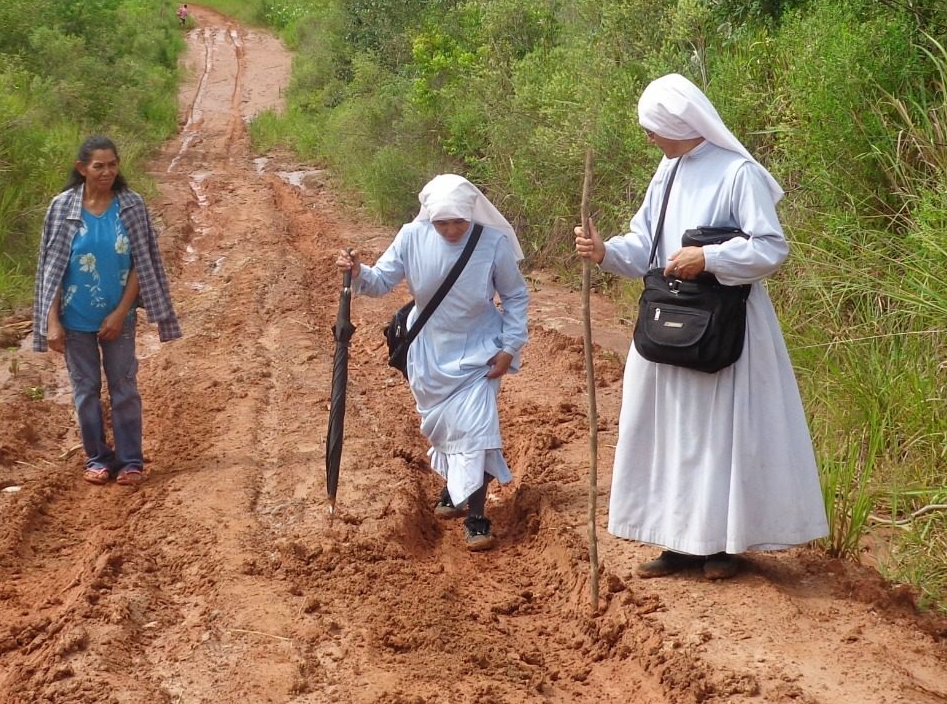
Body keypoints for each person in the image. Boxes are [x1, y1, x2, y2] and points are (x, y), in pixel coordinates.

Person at [574, 73, 828, 579]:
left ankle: (720, 547)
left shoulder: (739, 173)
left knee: (718, 434)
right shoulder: (666, 173)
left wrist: (708, 258)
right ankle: (678, 542)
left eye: (653, 128)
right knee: (670, 430)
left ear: (679, 124)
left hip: (725, 325)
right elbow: (644, 245)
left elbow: (770, 248)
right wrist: (604, 253)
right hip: (669, 319)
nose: (649, 137)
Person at [338, 175, 529, 551]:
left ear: (471, 214)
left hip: (480, 351)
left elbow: (515, 296)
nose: (452, 230)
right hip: (428, 353)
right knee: (445, 430)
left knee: (477, 433)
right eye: (442, 223)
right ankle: (455, 489)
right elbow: (380, 282)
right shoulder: (411, 237)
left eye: (459, 222)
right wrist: (358, 272)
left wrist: (510, 347)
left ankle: (476, 518)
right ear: (429, 217)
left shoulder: (493, 242)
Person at [33, 135, 181, 486]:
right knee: (85, 391)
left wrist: (120, 312)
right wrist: (52, 322)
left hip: (119, 318)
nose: (107, 172)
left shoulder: (130, 205)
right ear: (82, 168)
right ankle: (97, 458)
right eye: (98, 166)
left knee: (124, 388)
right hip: (74, 320)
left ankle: (130, 461)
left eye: (112, 165)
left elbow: (141, 263)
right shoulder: (61, 207)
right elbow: (50, 270)